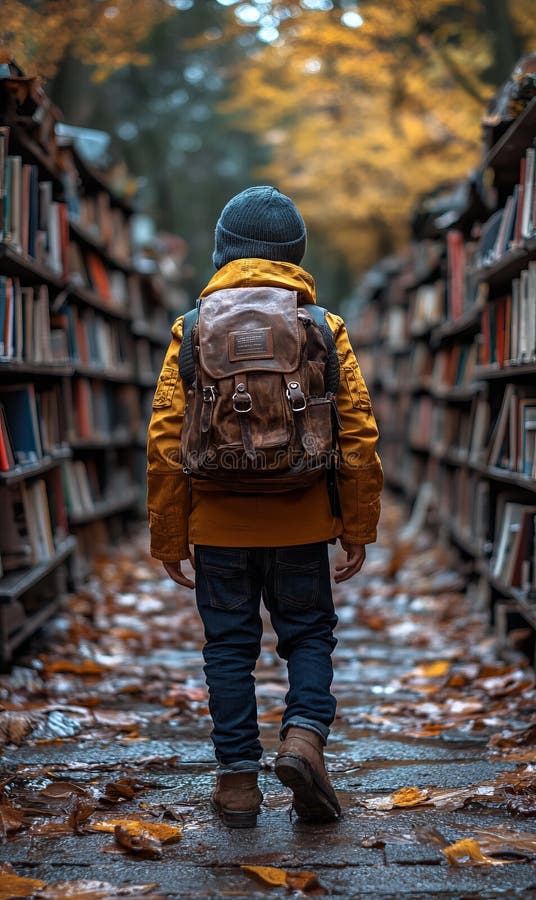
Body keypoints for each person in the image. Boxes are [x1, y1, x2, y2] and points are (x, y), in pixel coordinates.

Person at [147, 186, 383, 828]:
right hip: (302, 518)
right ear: (295, 255)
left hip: (218, 525)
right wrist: (355, 526)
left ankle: (236, 785)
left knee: (227, 647)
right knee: (307, 634)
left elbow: (167, 438)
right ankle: (304, 737)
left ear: (223, 252)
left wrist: (170, 536)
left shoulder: (191, 331)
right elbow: (357, 432)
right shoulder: (323, 328)